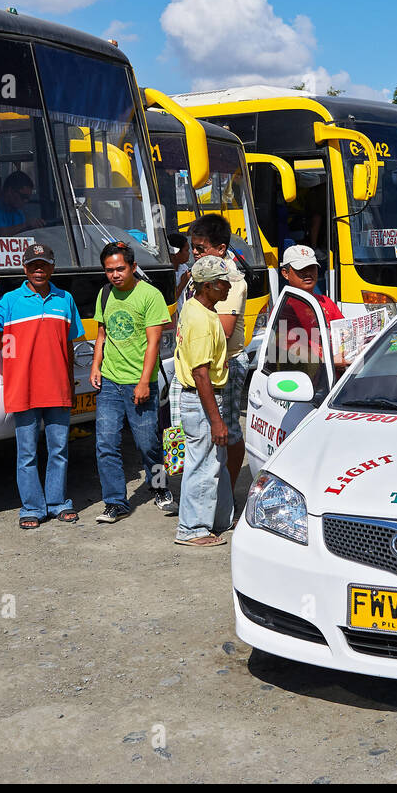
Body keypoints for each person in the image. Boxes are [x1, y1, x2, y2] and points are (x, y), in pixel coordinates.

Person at [0, 243, 83, 529]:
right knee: (27, 453)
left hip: (58, 388)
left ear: (52, 268)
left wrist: (70, 384)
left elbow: (69, 345)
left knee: (59, 450)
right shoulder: (10, 301)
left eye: (44, 264)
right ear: (24, 269)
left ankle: (58, 503)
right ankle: (31, 508)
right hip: (23, 389)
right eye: (33, 265)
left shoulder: (66, 299)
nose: (39, 269)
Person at [89, 240, 177, 522]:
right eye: (109, 270)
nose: (115, 275)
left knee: (147, 443)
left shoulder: (150, 296)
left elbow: (153, 345)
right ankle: (115, 502)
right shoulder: (104, 294)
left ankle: (160, 487)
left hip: (141, 384)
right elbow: (102, 335)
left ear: (133, 267)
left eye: (120, 269)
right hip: (110, 384)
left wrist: (143, 382)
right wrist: (95, 366)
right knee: (106, 444)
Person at [170, 215, 249, 496]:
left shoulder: (228, 282)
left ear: (221, 248)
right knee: (181, 430)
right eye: (193, 247)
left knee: (225, 430)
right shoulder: (196, 276)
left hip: (218, 366)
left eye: (201, 248)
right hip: (192, 363)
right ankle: (191, 492)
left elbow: (222, 333)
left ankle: (222, 494)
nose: (195, 253)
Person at [174, 255, 235, 548]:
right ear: (208, 286)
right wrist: (216, 420)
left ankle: (217, 521)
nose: (227, 289)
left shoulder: (196, 308)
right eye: (223, 284)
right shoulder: (199, 318)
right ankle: (192, 529)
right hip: (203, 402)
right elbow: (201, 374)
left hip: (203, 401)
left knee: (214, 464)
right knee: (203, 466)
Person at [279, 244, 347, 370]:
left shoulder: (326, 301)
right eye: (301, 269)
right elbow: (291, 349)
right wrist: (330, 361)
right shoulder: (284, 308)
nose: (308, 273)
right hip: (307, 379)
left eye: (312, 268)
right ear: (285, 273)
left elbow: (344, 332)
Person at [0, 170, 45, 240]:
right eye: (23, 197)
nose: (26, 201)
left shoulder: (18, 213)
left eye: (28, 198)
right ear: (10, 191)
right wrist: (26, 225)